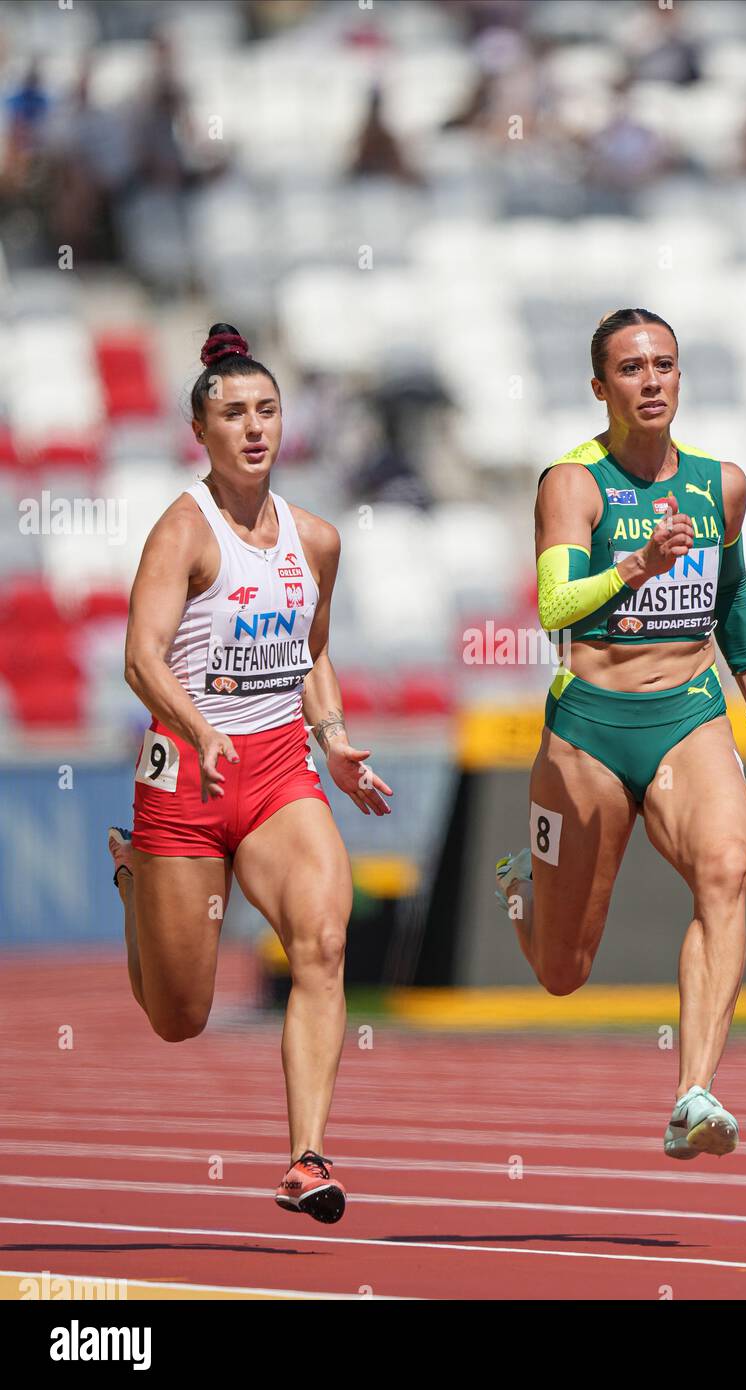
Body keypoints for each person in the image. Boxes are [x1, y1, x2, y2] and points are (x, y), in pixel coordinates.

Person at [495, 308, 746, 1160]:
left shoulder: (720, 483)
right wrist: (636, 564)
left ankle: (694, 1091)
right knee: (565, 971)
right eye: (631, 369)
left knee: (727, 869)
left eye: (664, 365)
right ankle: (520, 889)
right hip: (590, 729)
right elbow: (555, 607)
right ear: (601, 388)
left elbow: (732, 590)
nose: (652, 380)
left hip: (688, 715)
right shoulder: (573, 483)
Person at [107, 323, 392, 1223]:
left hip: (277, 776)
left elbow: (312, 653)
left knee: (324, 940)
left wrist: (335, 737)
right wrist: (196, 725)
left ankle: (307, 1157)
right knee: (178, 1016)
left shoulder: (316, 540)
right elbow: (139, 659)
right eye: (233, 413)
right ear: (203, 432)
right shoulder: (181, 533)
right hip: (185, 785)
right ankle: (134, 881)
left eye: (267, 409)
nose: (254, 427)